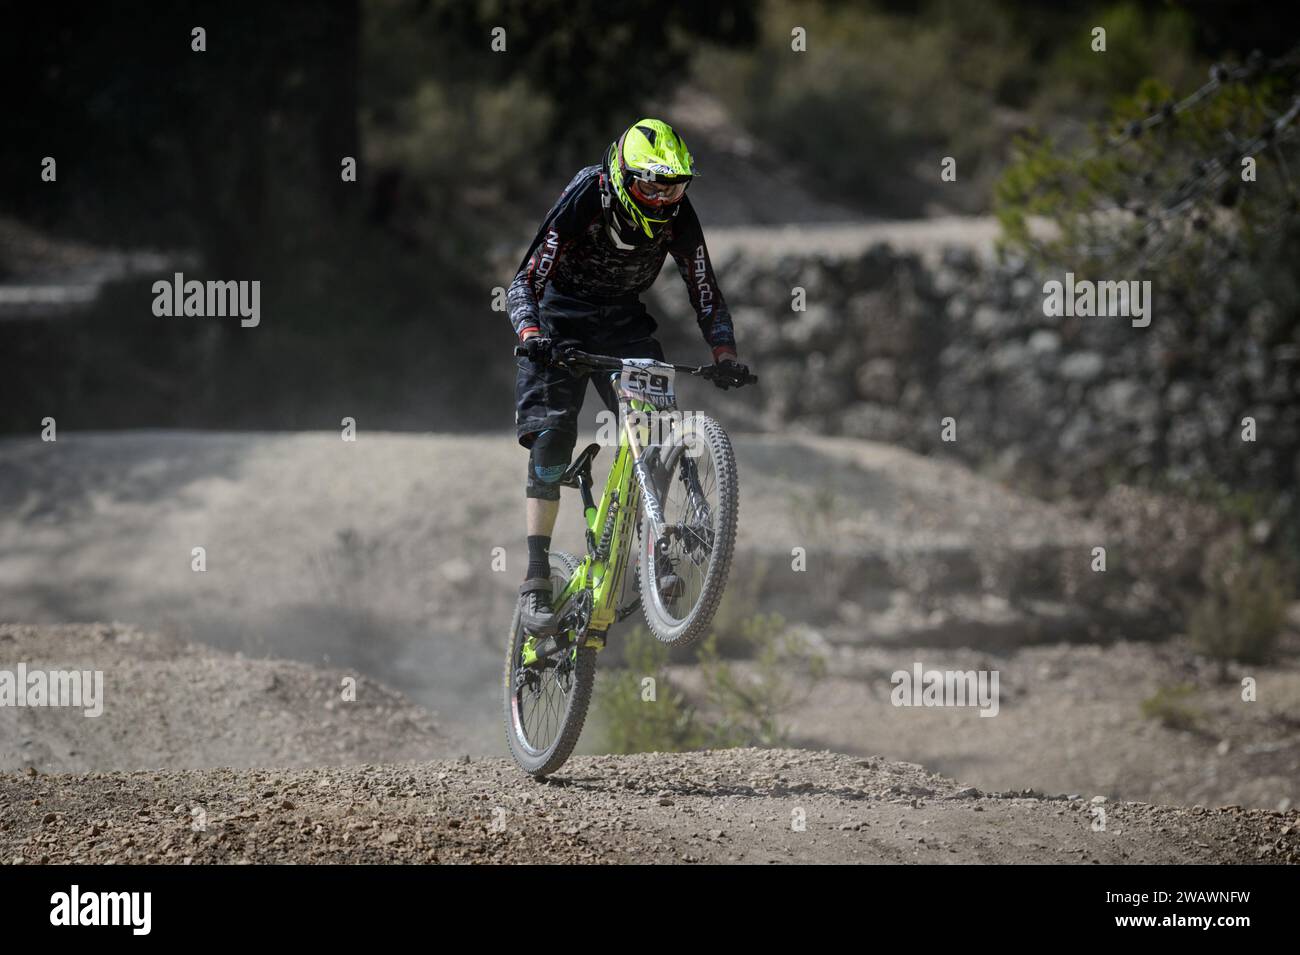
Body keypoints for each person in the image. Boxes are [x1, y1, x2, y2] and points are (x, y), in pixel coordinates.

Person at [506, 118, 749, 634]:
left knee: (656, 429)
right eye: (651, 186)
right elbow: (524, 279)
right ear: (621, 176)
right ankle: (535, 579)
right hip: (558, 319)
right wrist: (531, 334)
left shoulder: (679, 215)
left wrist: (724, 352)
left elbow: (703, 286)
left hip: (622, 320)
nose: (663, 200)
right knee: (551, 436)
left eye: (675, 186)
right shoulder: (587, 197)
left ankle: (655, 545)